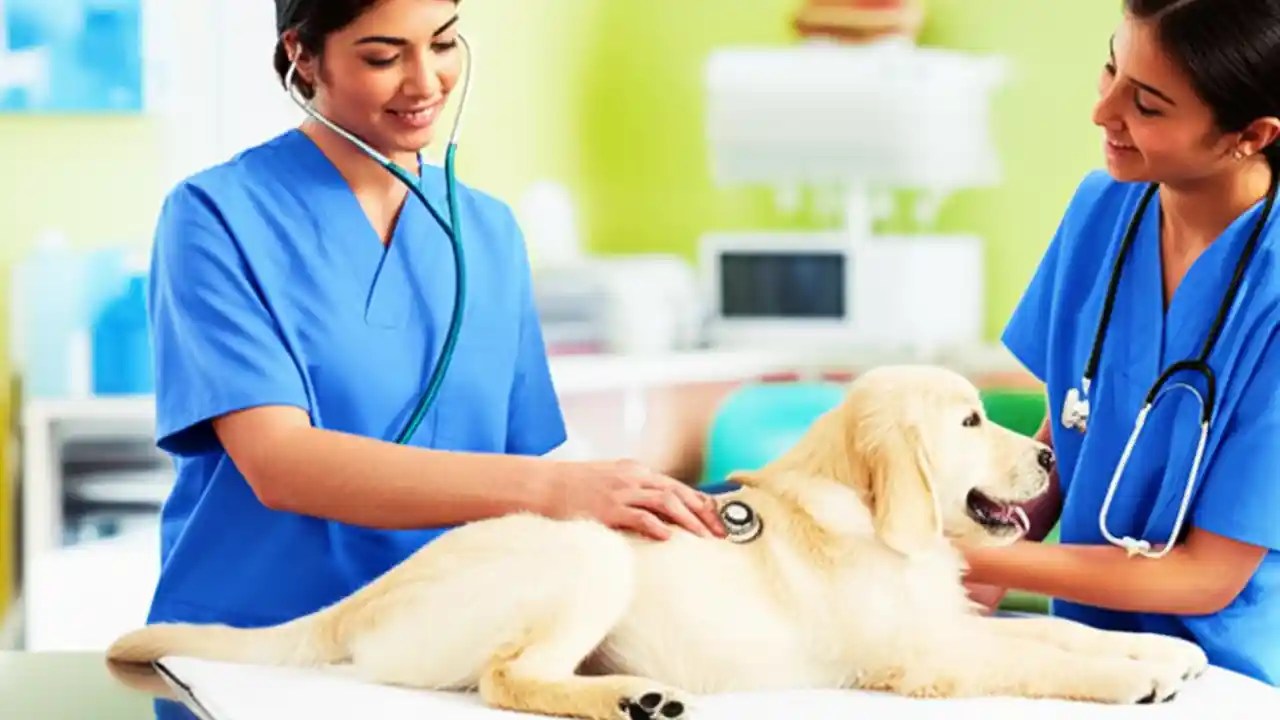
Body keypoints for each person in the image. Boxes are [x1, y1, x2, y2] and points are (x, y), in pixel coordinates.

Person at [143, 0, 725, 633]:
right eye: (383, 57)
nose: (425, 83)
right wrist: (556, 489)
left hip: (442, 638)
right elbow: (279, 463)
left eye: (443, 45)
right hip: (258, 638)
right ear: (302, 55)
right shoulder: (216, 215)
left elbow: (519, 466)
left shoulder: (488, 232)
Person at [961, 0, 1280, 686]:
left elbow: (1207, 576)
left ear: (1250, 134)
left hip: (1227, 674)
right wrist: (970, 574)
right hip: (1084, 653)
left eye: (1147, 105)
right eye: (1111, 71)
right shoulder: (1102, 206)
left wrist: (962, 556)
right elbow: (1072, 422)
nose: (1102, 112)